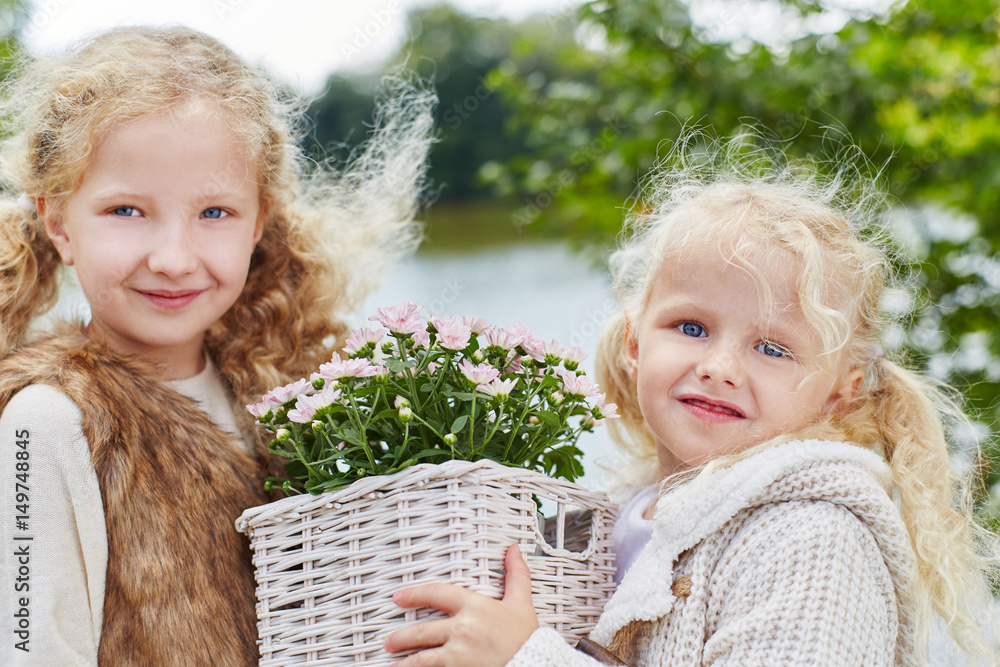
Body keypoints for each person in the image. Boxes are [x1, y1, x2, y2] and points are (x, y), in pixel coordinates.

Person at [383, 136, 1000, 666]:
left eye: (773, 349)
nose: (719, 368)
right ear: (633, 340)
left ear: (842, 390)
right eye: (692, 328)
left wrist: (524, 656)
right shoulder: (629, 515)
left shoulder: (813, 541)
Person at [0, 26, 433, 665]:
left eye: (214, 214)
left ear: (258, 221)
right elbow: (30, 648)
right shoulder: (49, 423)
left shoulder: (290, 395)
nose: (173, 259)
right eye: (126, 210)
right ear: (59, 223)